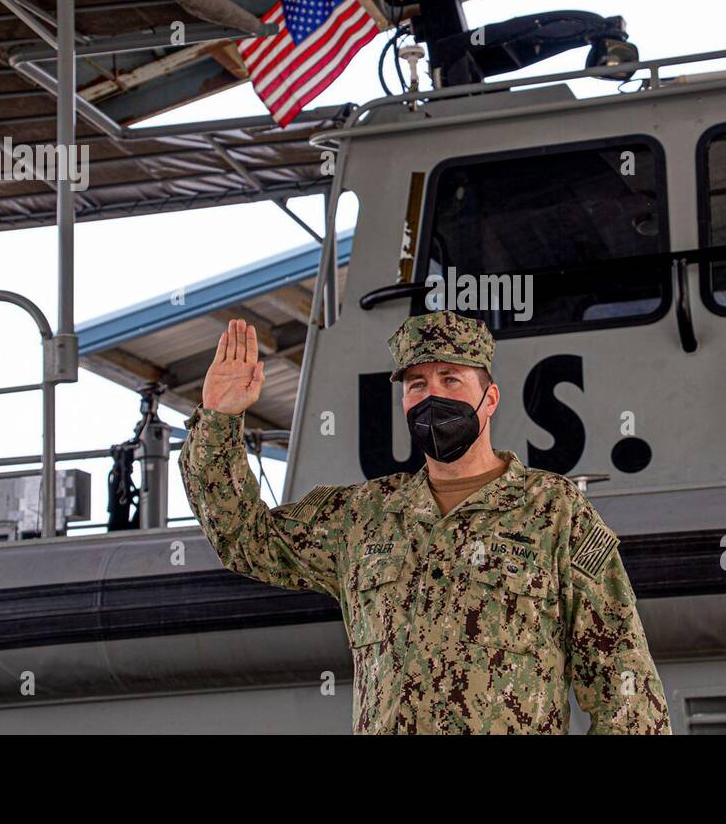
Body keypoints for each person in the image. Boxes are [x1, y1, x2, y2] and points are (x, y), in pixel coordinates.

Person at [179, 309, 671, 734]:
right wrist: (219, 421)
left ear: (491, 398)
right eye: (417, 384)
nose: (432, 396)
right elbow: (246, 538)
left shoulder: (553, 511)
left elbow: (622, 681)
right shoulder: (363, 518)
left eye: (450, 379)